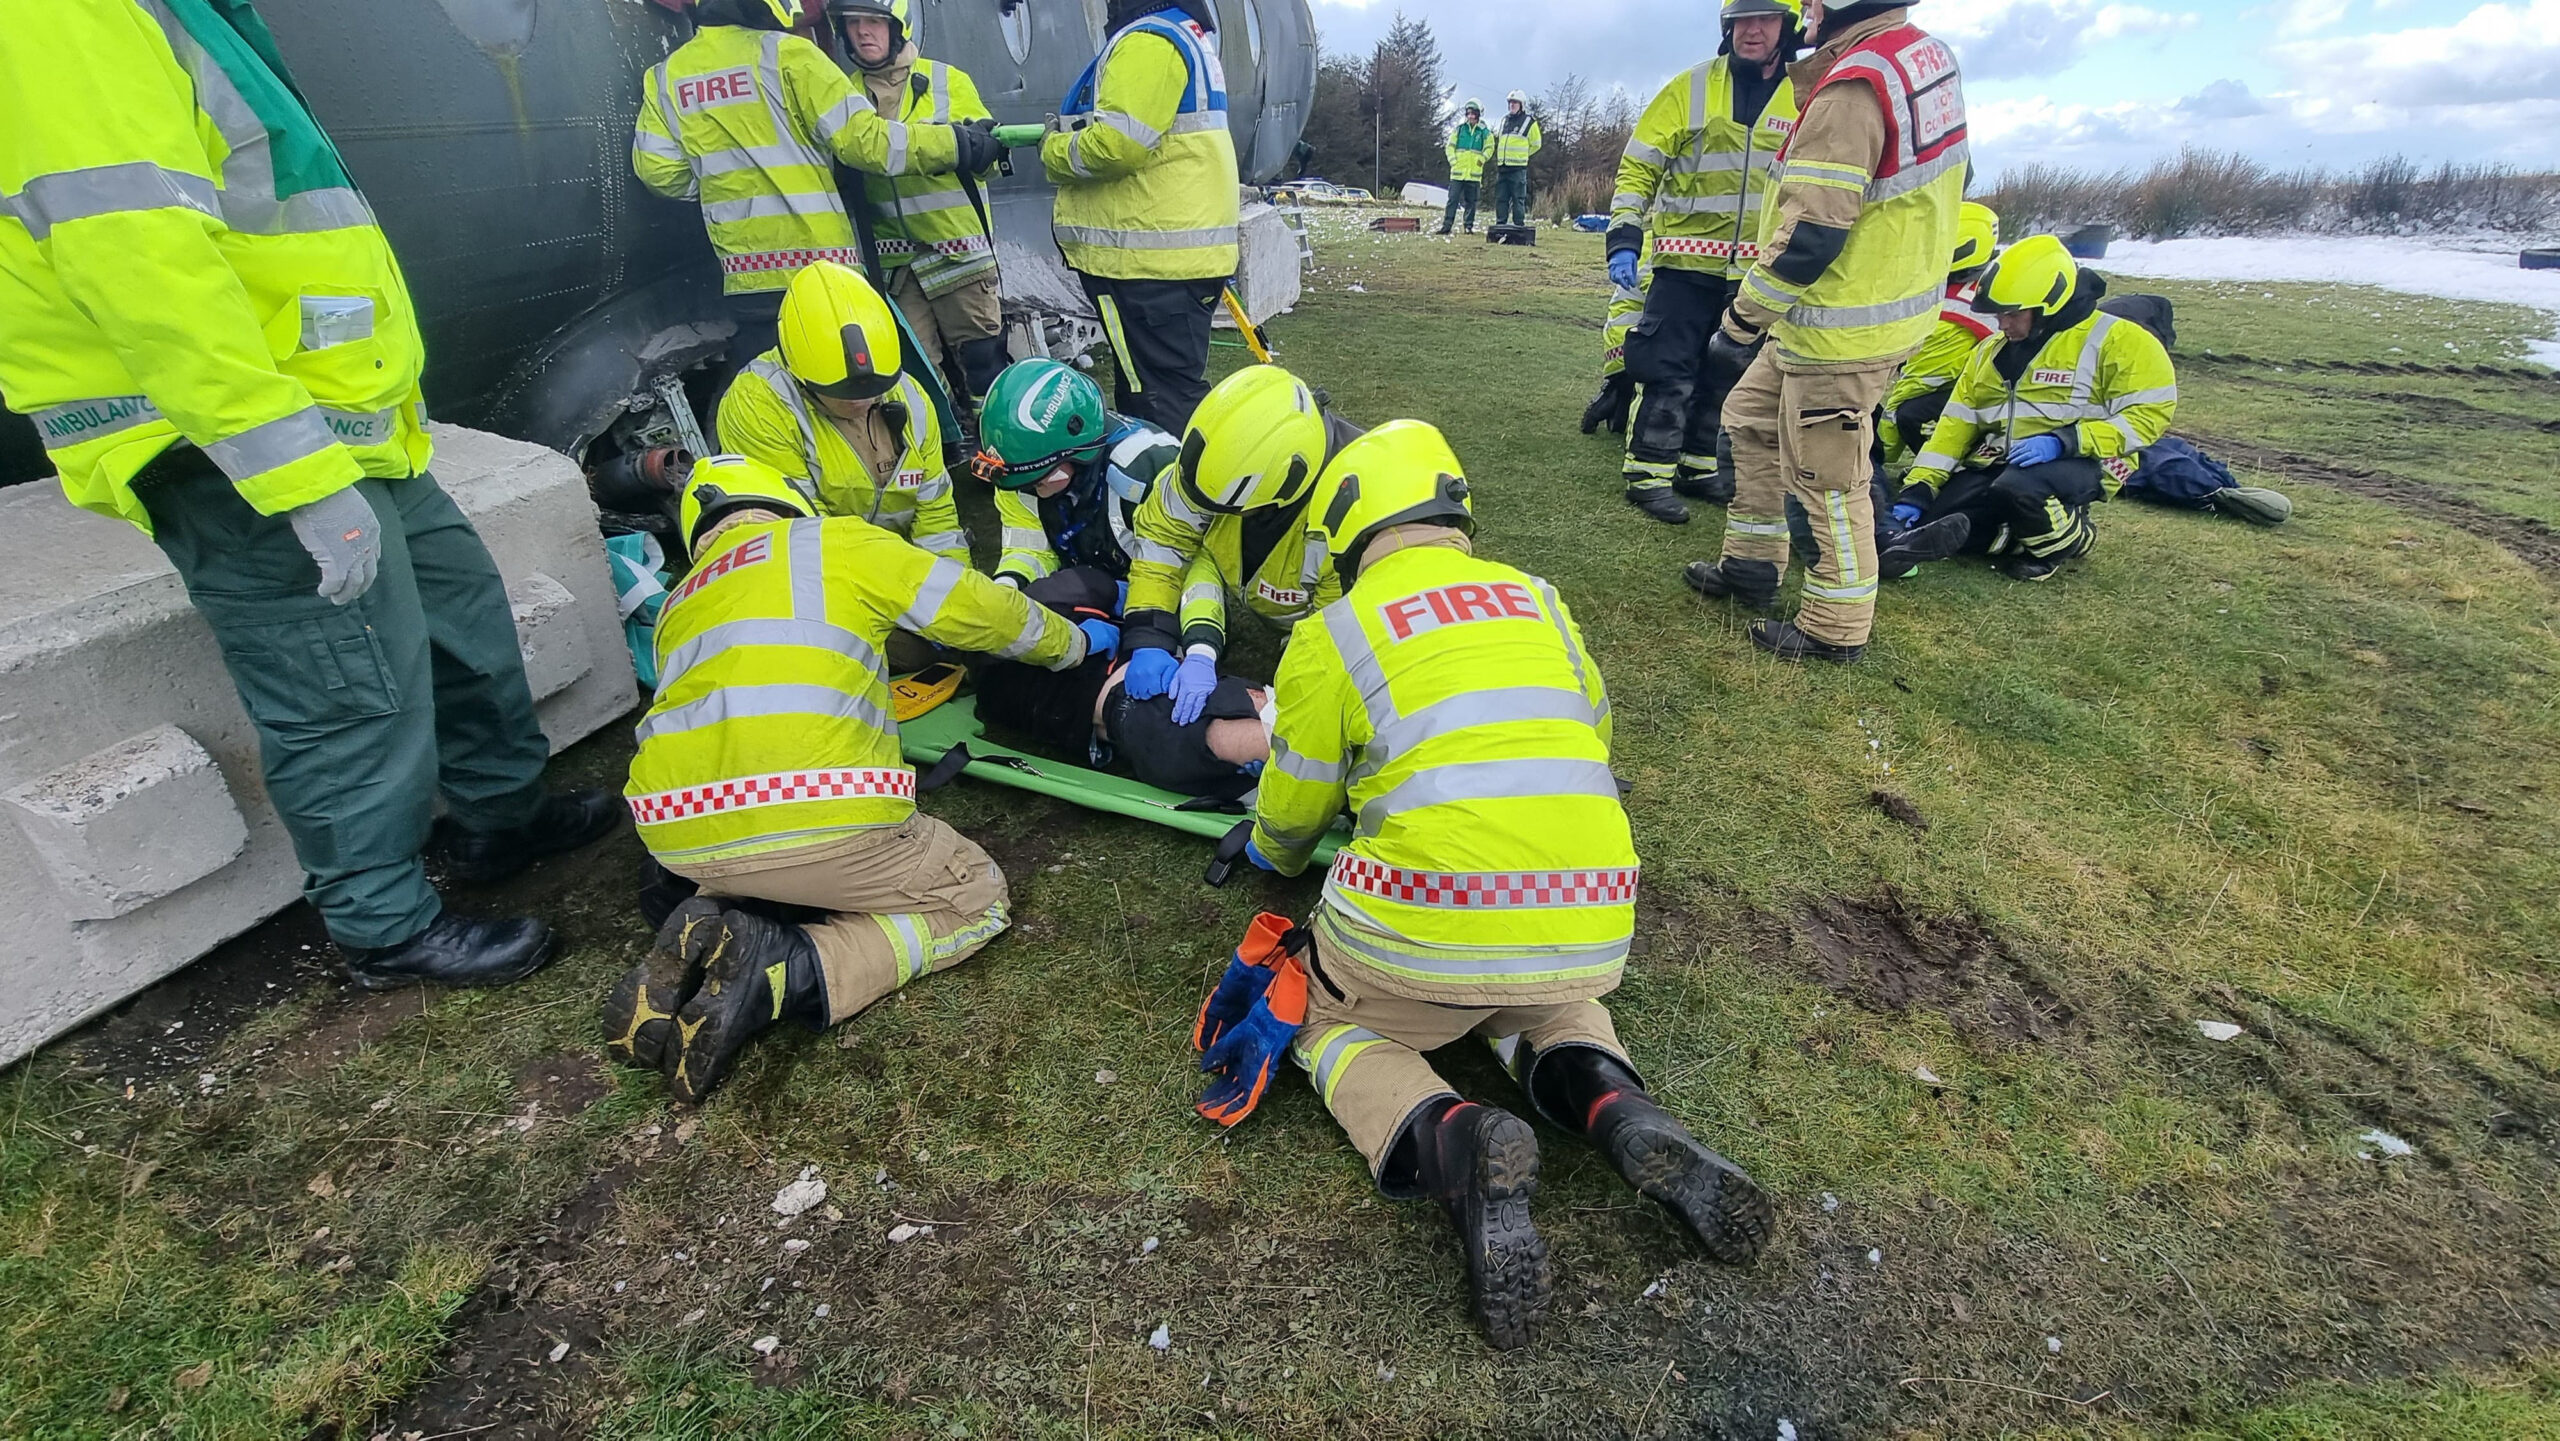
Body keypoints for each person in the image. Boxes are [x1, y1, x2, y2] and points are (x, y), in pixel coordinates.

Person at [0, 0, 620, 986]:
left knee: (463, 620)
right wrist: (294, 476)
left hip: (340, 426)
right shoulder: (69, 17)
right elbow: (142, 266)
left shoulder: (195, 16)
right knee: (343, 685)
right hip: (235, 449)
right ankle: (382, 926)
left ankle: (502, 820)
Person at [1233, 421, 1773, 1349]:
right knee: (1540, 999)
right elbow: (1592, 732)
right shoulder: (1542, 599)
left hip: (1419, 928)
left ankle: (1447, 1134)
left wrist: (1269, 859)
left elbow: (1293, 806)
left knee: (1320, 1017)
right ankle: (1615, 1103)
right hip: (1586, 912)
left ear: (1347, 527)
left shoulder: (1335, 631)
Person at [601, 455, 1108, 1104]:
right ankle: (784, 970)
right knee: (974, 897)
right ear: (787, 499)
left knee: (769, 863)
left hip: (675, 836)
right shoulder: (835, 541)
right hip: (820, 816)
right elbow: (983, 610)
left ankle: (725, 914)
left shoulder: (681, 600)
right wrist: (1073, 646)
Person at [1681, 0, 1971, 663]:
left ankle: (1835, 628)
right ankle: (1752, 564)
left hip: (1840, 329)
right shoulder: (1920, 57)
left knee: (1827, 479)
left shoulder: (1853, 86)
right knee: (1748, 418)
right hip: (1846, 319)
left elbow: (1811, 237)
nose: (1804, 8)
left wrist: (1740, 319)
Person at [632, 0, 997, 405]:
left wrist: (725, 184)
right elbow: (869, 144)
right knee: (853, 399)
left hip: (748, 279)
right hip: (823, 270)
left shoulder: (666, 76)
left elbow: (660, 173)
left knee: (775, 398)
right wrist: (957, 143)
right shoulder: (789, 56)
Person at [1881, 234, 2179, 581]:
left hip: (2091, 460)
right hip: (2005, 460)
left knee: (2019, 488)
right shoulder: (1992, 351)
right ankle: (2014, 534)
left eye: (2010, 314)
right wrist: (1920, 489)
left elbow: (2149, 416)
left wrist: (2066, 441)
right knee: (1939, 518)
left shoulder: (2121, 341)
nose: (2001, 324)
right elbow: (1954, 426)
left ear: (2047, 304)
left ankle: (2066, 542)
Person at [1606, 0, 1802, 525]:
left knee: (1727, 376)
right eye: (1741, 20)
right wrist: (1624, 236)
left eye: (1764, 19)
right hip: (1683, 263)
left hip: (1755, 274)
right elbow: (1638, 168)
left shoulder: (1807, 94)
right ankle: (1647, 474)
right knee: (1668, 372)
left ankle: (1697, 467)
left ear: (1789, 25)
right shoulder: (1690, 87)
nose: (1752, 30)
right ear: (1726, 26)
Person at [1119, 365, 1363, 725]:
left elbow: (1334, 638)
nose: (1203, 514)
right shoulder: (1216, 460)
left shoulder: (1352, 522)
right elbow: (1164, 539)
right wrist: (1150, 635)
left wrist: (1281, 713)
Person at [1042, 0, 1240, 433]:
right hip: (1171, 262)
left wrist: (1052, 150)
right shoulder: (1183, 34)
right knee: (1160, 389)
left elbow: (1117, 145)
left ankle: (1176, 492)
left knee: (1156, 400)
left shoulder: (1148, 40)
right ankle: (1180, 484)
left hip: (1147, 267)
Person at [714, 262, 967, 570]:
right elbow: (803, 535)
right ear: (801, 375)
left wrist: (952, 585)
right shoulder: (757, 406)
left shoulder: (910, 396)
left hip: (895, 567)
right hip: (817, 574)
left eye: (876, 389)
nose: (863, 400)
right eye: (845, 394)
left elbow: (935, 515)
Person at [825, 0, 1009, 408]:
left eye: (874, 21)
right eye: (853, 23)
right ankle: (945, 444)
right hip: (896, 265)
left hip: (958, 251)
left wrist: (973, 146)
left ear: (897, 26)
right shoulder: (842, 93)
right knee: (916, 369)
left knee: (983, 362)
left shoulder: (947, 81)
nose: (862, 32)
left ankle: (998, 437)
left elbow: (990, 163)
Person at [973, 568, 1276, 799]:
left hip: (1131, 721)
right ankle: (1299, 762)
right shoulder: (1069, 594)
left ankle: (1295, 760)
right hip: (1136, 711)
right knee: (1231, 727)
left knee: (1244, 723)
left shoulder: (992, 684)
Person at [968, 359, 1219, 605]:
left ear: (1077, 452)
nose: (1031, 490)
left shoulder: (1147, 470)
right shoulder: (1018, 474)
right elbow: (1028, 547)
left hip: (1158, 589)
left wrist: (1137, 613)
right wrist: (1008, 586)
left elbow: (1182, 566)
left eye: (1039, 480)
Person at [1877, 200, 1999, 467]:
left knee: (1912, 413)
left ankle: (1943, 467)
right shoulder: (1990, 281)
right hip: (2000, 388)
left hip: (1990, 397)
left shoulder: (1949, 313)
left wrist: (1878, 454)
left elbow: (1917, 382)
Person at [1581, 230, 1650, 437]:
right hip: (1637, 348)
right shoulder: (1669, 248)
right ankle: (1619, 392)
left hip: (1620, 347)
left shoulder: (1647, 241)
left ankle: (1615, 392)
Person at [1489, 91, 1543, 229]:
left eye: (1515, 103)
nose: (1512, 105)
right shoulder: (1504, 120)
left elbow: (1536, 144)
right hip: (1503, 167)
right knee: (1501, 198)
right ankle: (1500, 224)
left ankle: (1518, 226)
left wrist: (1523, 156)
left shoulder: (1529, 122)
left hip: (1518, 168)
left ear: (1521, 105)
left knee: (1518, 198)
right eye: (1510, 103)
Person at [1438, 99, 1492, 236]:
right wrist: (1453, 161)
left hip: (1474, 174)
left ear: (1478, 115)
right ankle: (1447, 225)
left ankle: (1468, 226)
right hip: (1457, 173)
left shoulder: (1484, 132)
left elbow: (1490, 147)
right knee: (1452, 200)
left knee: (1471, 202)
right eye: (1468, 113)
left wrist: (1482, 159)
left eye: (1473, 114)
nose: (1470, 116)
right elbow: (1449, 146)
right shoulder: (1459, 129)